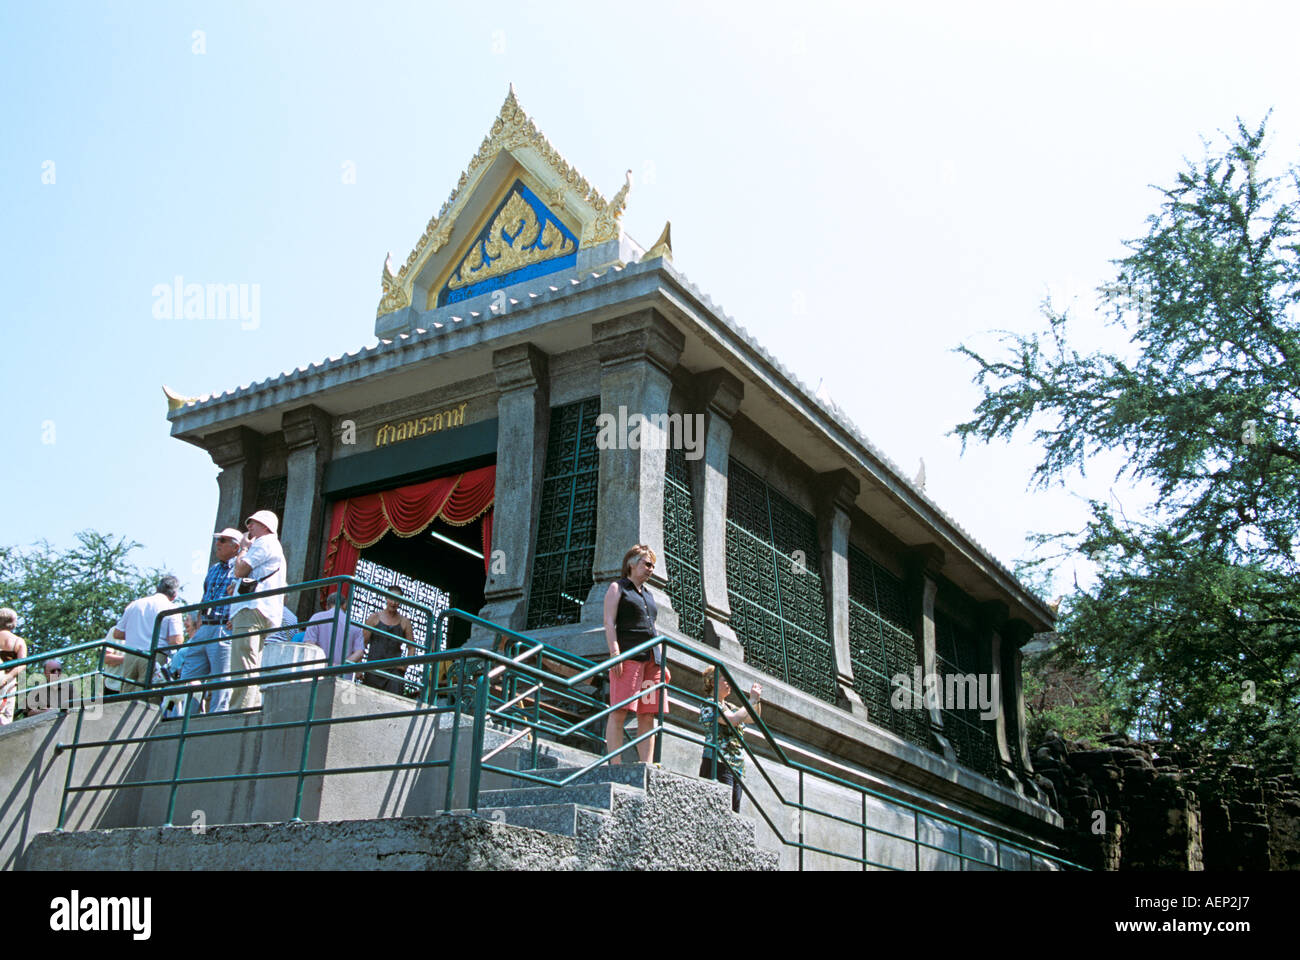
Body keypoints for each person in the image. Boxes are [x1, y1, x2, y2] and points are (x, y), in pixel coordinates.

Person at [603, 544, 671, 765]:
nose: (651, 569)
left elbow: (653, 629)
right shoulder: (618, 587)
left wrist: (662, 661)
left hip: (652, 661)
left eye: (653, 565)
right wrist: (615, 652)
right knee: (620, 710)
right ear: (632, 563)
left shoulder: (649, 595)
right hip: (629, 657)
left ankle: (646, 764)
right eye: (647, 564)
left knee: (647, 712)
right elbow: (609, 621)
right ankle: (615, 763)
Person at [226, 510, 286, 711]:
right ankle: (248, 706)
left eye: (254, 523)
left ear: (266, 526)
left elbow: (240, 570)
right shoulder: (270, 545)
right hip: (260, 610)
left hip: (251, 608)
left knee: (243, 664)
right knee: (251, 661)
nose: (249, 527)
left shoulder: (265, 542)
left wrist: (242, 549)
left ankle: (239, 709)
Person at [179, 528, 240, 714]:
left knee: (221, 679)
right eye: (217, 540)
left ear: (236, 546)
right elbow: (205, 599)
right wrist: (198, 627)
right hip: (205, 626)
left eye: (222, 540)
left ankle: (216, 717)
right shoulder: (213, 569)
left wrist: (235, 619)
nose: (218, 544)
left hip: (224, 627)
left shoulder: (241, 568)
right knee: (188, 675)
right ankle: (183, 717)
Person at [698, 666, 762, 813]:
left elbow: (753, 717)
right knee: (718, 810)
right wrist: (750, 701)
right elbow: (732, 720)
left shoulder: (730, 706)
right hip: (718, 763)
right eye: (724, 679)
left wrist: (756, 700)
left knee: (733, 812)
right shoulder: (709, 703)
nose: (729, 683)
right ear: (713, 682)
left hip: (736, 767)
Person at [112, 576, 185, 699]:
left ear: (157, 588)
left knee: (125, 698)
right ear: (175, 594)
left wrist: (136, 633)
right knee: (148, 699)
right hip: (154, 656)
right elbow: (176, 641)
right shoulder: (172, 608)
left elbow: (117, 633)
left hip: (131, 655)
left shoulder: (135, 604)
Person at [362, 585, 414, 695]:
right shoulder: (374, 618)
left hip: (394, 671)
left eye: (398, 600)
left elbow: (412, 647)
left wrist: (404, 666)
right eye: (391, 598)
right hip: (373, 667)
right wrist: (358, 668)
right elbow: (362, 643)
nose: (394, 603)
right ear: (386, 598)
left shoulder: (405, 622)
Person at [303, 591, 366, 682]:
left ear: (326, 606)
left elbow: (309, 645)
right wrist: (340, 666)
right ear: (344, 605)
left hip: (318, 675)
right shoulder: (355, 625)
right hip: (343, 679)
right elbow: (359, 652)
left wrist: (326, 665)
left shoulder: (316, 618)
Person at [0, 609, 28, 725]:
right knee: (5, 715)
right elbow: (22, 664)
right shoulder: (18, 641)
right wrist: (7, 677)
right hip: (8, 682)